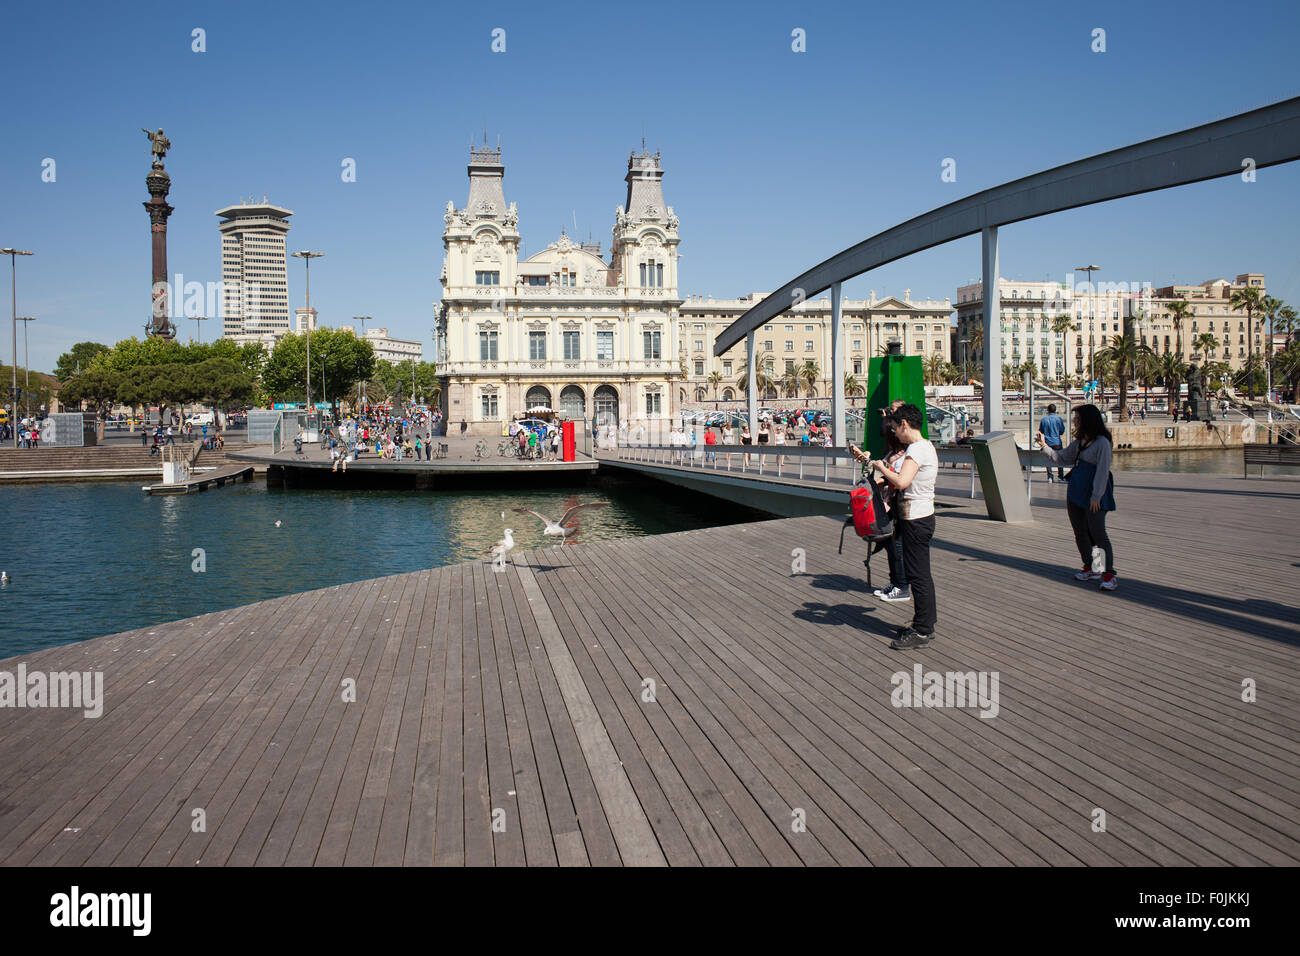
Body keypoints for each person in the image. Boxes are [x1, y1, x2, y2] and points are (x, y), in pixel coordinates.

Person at [851, 403, 938, 649]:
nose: (895, 434)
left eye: (896, 428)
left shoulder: (916, 450)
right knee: (919, 574)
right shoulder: (926, 447)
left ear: (905, 424)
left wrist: (880, 468)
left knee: (918, 576)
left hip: (916, 519)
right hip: (921, 516)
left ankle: (922, 630)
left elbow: (902, 481)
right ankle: (924, 622)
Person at [1037, 403, 1118, 591]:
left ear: (1087, 420)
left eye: (1077, 418)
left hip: (1094, 495)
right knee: (1080, 531)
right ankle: (1091, 566)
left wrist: (1096, 496)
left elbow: (1102, 471)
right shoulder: (1080, 442)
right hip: (1076, 492)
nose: (1074, 421)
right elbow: (1062, 458)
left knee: (1097, 533)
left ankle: (1108, 573)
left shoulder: (1102, 443)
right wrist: (1044, 446)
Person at [1038, 403, 1066, 482]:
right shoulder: (1058, 419)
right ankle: (1060, 477)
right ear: (1055, 410)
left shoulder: (1044, 420)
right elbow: (1062, 431)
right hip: (1057, 441)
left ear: (1048, 410)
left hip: (1047, 442)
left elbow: (1041, 431)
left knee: (1048, 459)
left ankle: (1050, 477)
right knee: (1059, 459)